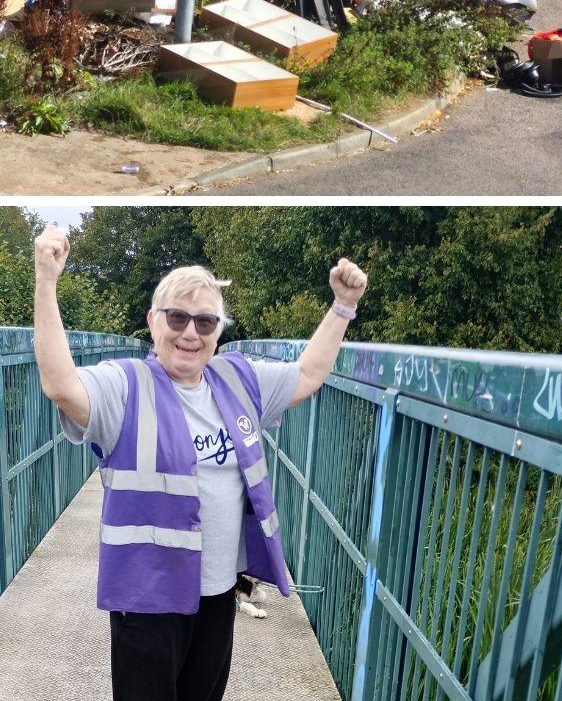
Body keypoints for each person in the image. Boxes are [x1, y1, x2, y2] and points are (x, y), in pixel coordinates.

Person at [32, 225, 369, 701]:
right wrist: (47, 282)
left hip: (216, 593)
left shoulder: (239, 379)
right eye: (177, 318)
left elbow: (309, 373)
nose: (190, 332)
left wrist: (343, 307)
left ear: (217, 333)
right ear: (153, 322)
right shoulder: (125, 385)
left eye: (205, 322)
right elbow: (61, 386)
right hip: (147, 598)